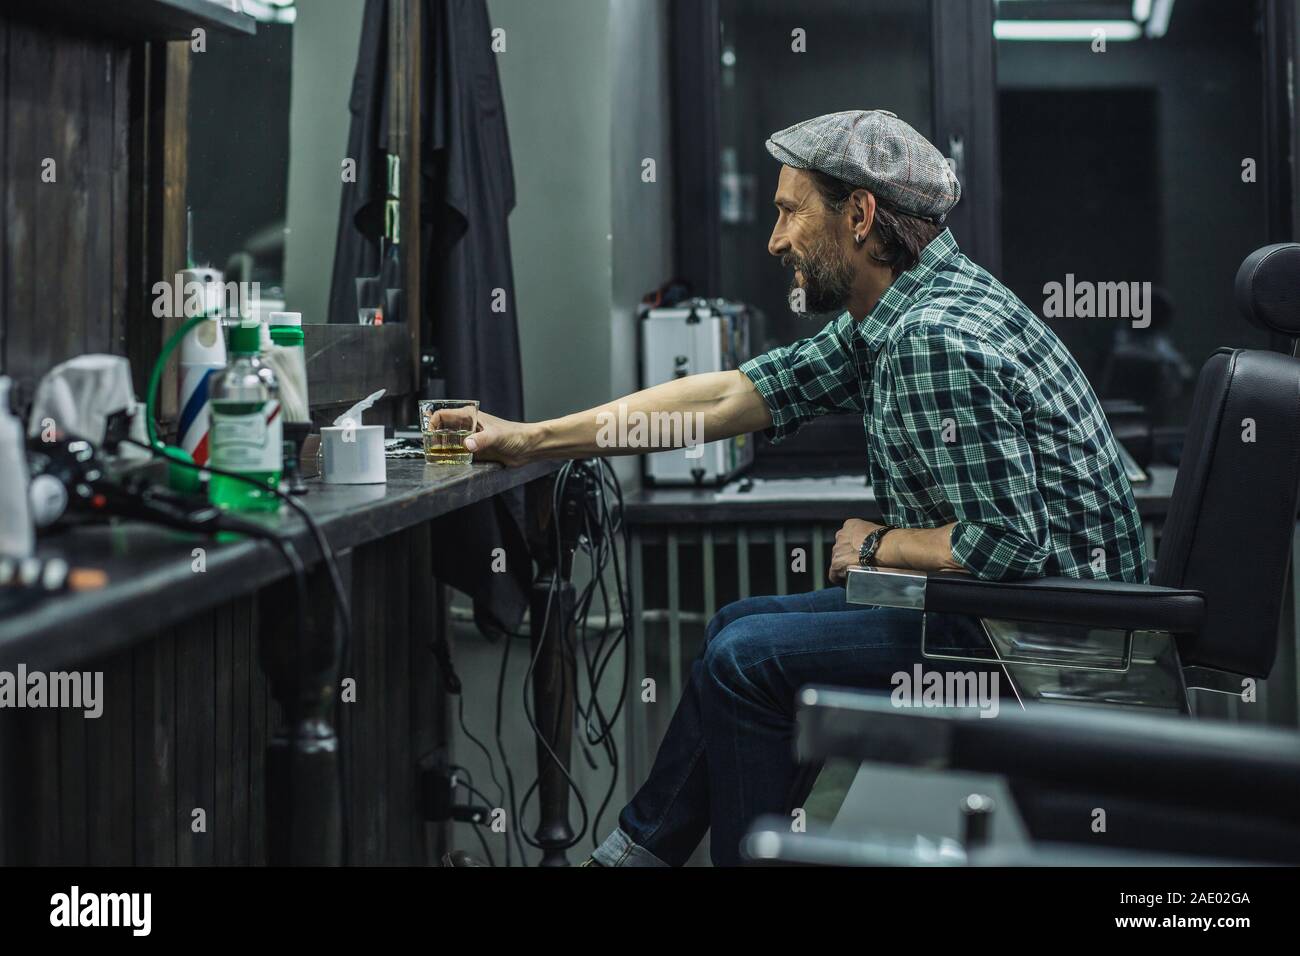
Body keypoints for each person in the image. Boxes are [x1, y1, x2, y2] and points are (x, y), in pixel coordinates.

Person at [465, 110, 1147, 866]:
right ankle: (634, 855)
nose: (776, 240)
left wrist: (879, 544)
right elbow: (723, 400)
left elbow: (1013, 543)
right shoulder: (898, 312)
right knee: (734, 628)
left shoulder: (933, 334)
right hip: (1008, 616)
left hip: (1048, 642)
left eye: (790, 211)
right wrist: (531, 439)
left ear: (859, 216)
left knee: (747, 661)